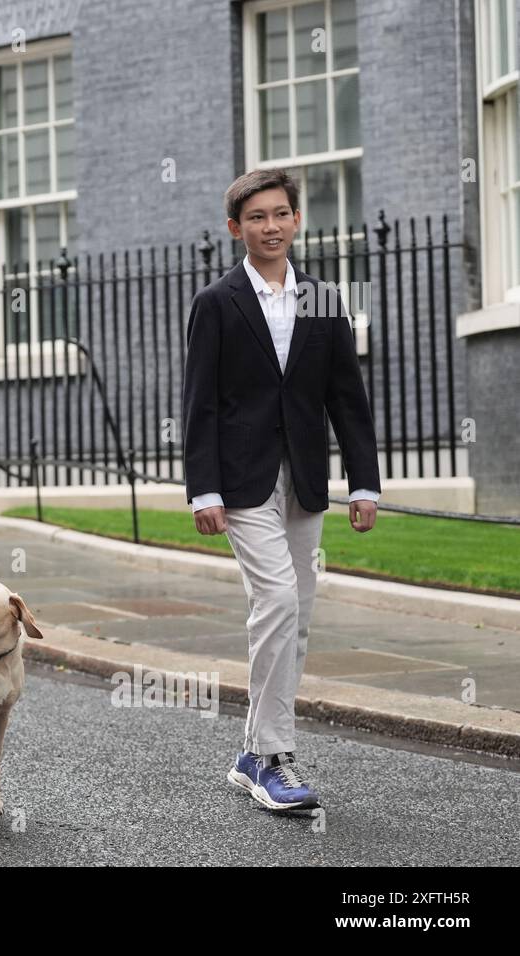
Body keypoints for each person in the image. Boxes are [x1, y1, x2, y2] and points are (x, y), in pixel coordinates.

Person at [182, 168, 380, 812]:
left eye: (281, 214)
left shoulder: (324, 300)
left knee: (296, 617)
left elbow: (347, 400)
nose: (271, 226)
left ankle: (249, 752)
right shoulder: (216, 302)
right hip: (241, 483)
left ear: (297, 220)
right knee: (276, 601)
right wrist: (202, 490)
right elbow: (200, 404)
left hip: (306, 478)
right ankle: (274, 758)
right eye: (257, 218)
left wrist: (365, 482)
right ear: (237, 229)